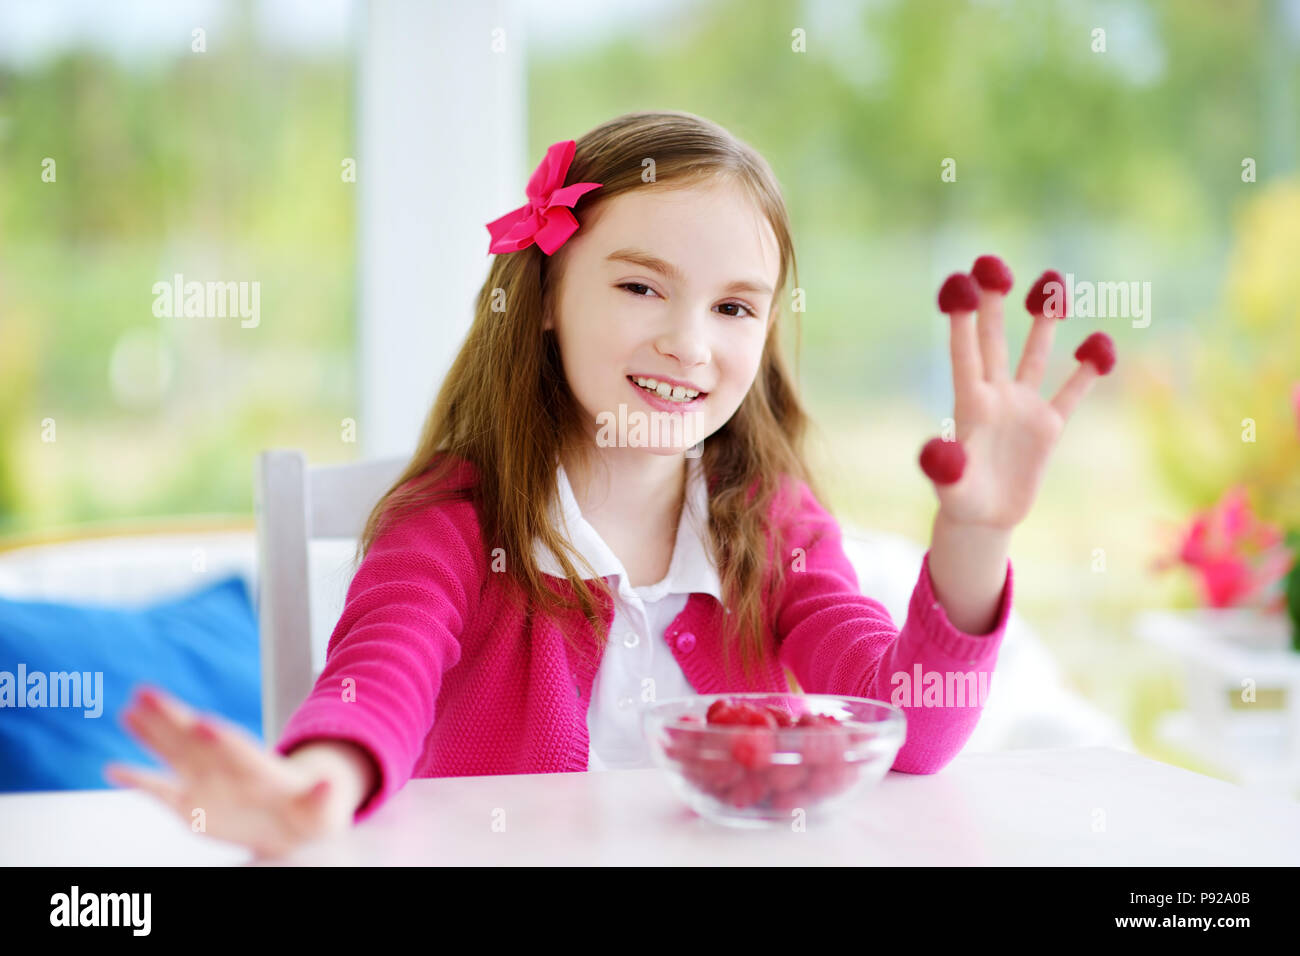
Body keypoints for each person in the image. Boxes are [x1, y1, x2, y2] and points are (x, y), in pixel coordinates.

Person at [106, 109, 1112, 858]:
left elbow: (911, 729)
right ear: (544, 296)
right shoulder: (452, 524)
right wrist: (315, 782)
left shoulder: (774, 525)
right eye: (640, 286)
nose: (687, 340)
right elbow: (378, 684)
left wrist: (973, 535)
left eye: (733, 307)